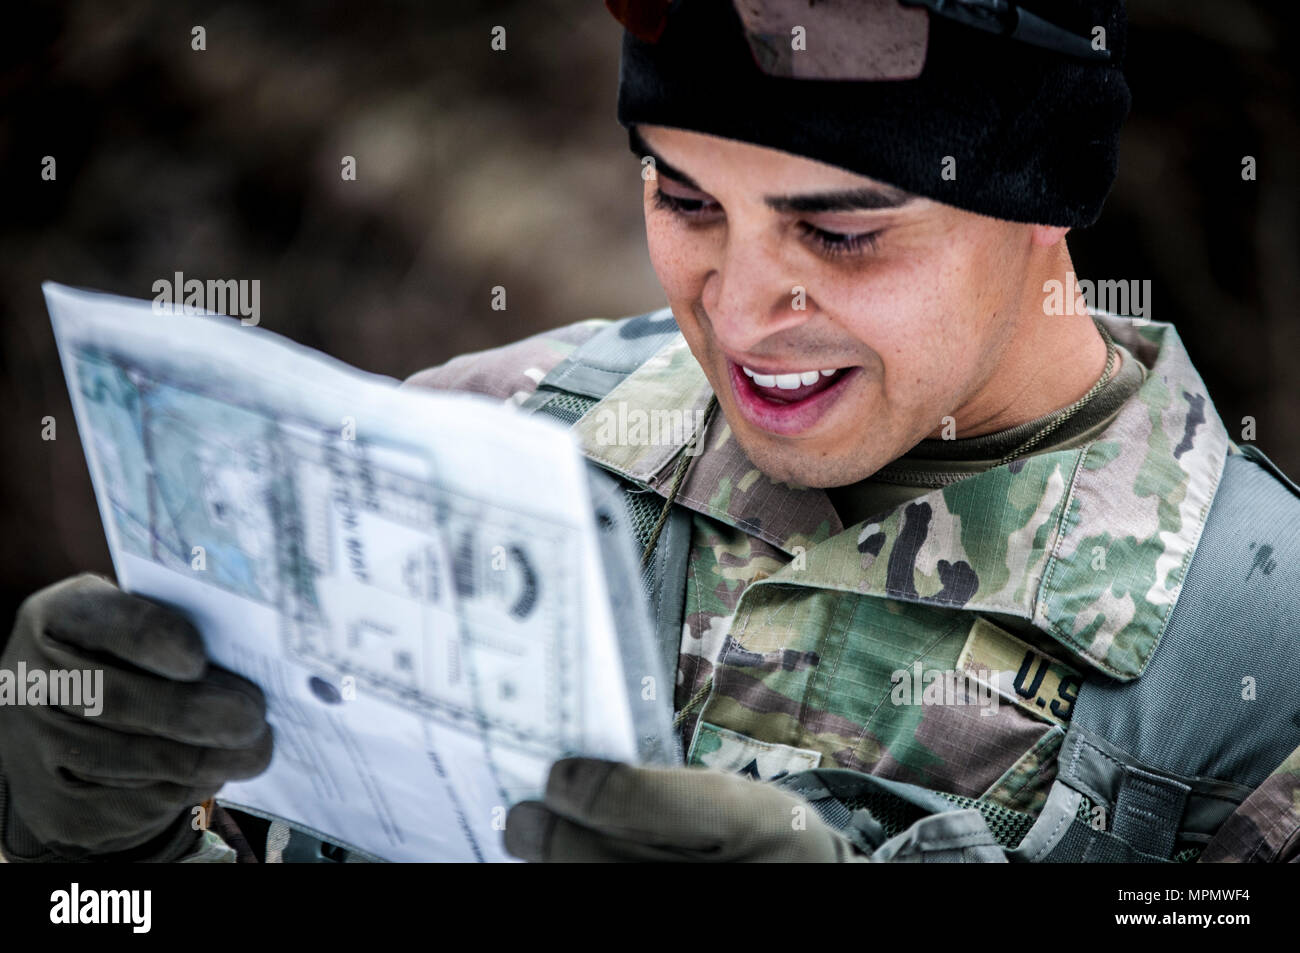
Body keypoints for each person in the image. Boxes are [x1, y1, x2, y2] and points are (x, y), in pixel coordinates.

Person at [3, 0, 1298, 864]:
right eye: (684, 201)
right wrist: (98, 853)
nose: (739, 308)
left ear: (1044, 205)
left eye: (839, 233)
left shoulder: (1262, 661)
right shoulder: (477, 437)